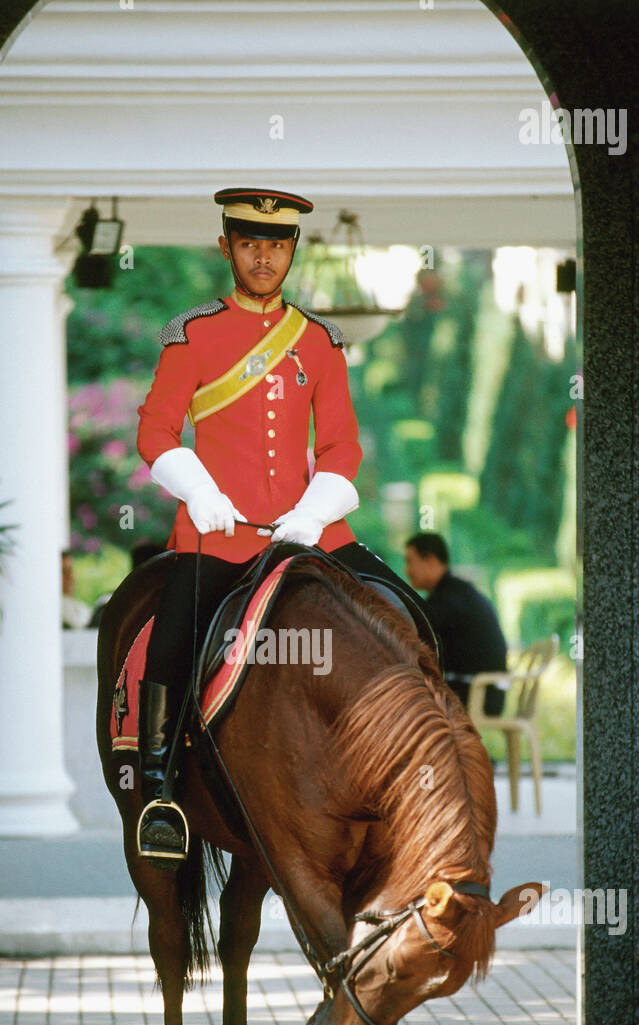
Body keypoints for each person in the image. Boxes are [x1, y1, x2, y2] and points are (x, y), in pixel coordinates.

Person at [134, 185, 427, 863]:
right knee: (171, 636)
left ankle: (429, 757)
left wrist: (313, 512)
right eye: (248, 243)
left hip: (309, 532)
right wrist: (198, 492)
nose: (262, 257)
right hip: (217, 533)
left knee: (401, 610)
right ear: (225, 247)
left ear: (292, 249)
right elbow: (154, 428)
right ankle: (159, 790)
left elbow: (343, 446)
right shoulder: (193, 335)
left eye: (275, 244)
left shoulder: (319, 341)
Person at [404, 532, 508, 717]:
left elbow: (411, 637)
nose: (407, 570)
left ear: (430, 560)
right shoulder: (455, 592)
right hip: (486, 691)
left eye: (410, 561)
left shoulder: (448, 599)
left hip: (479, 695)